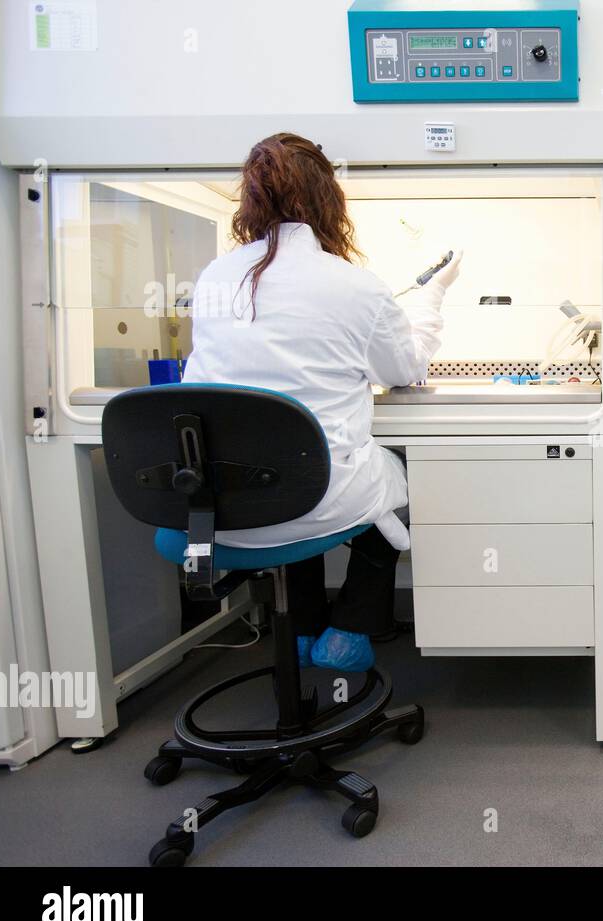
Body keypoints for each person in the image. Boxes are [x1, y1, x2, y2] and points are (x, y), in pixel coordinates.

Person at [182, 132, 461, 672]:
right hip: (314, 496)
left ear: (249, 201)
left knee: (285, 475)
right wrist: (432, 296)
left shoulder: (216, 276)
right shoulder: (353, 285)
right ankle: (352, 626)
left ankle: (303, 628)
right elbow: (402, 370)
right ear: (329, 201)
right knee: (394, 473)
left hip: (221, 502)